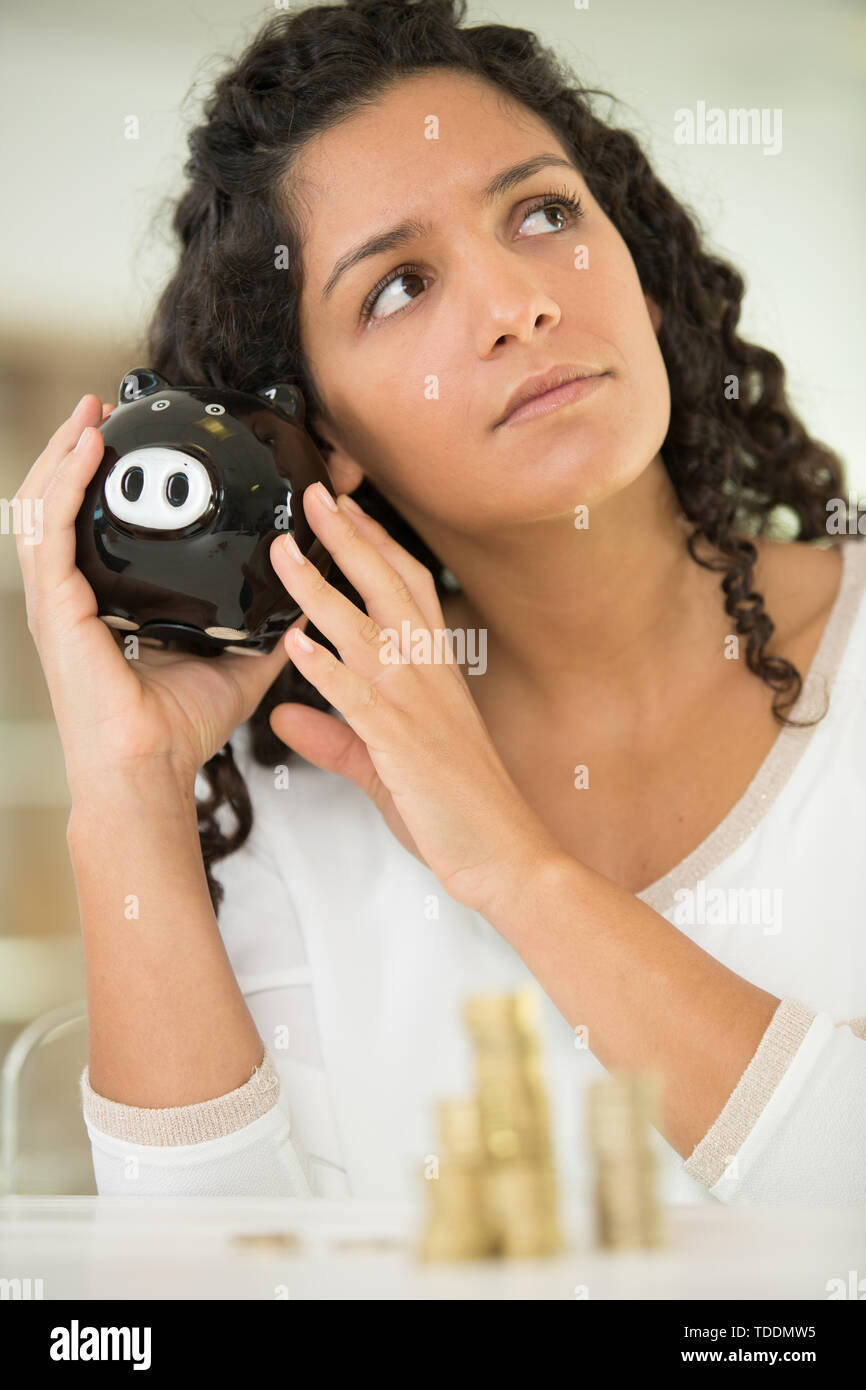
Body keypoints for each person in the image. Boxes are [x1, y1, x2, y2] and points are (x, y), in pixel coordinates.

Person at [15, 0, 865, 1208]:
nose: (516, 300)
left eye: (542, 213)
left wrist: (512, 864)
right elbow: (185, 1286)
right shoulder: (296, 799)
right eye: (399, 286)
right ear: (321, 436)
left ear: (637, 265)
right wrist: (128, 794)